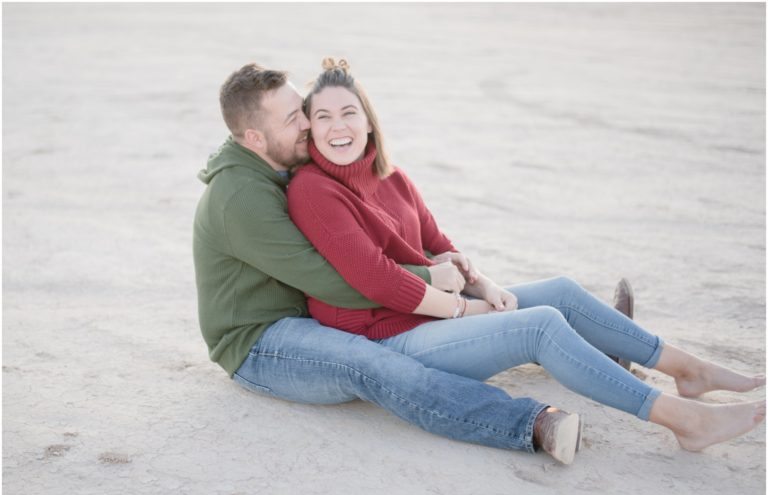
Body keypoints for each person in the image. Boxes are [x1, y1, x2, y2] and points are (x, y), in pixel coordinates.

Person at [285, 57, 765, 459]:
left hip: (431, 315)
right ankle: (684, 420)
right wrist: (467, 308)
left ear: (368, 121)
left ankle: (689, 370)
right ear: (310, 131)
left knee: (560, 291)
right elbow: (378, 281)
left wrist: (485, 285)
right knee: (539, 325)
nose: (338, 127)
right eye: (322, 117)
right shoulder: (314, 190)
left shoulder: (393, 178)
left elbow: (438, 243)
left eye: (348, 113)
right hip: (389, 339)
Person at [195, 64, 654, 465]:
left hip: (317, 313)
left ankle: (597, 347)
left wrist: (456, 283)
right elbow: (335, 283)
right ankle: (529, 424)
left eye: (301, 109)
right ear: (254, 136)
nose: (306, 124)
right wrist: (433, 284)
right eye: (294, 116)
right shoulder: (241, 197)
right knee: (371, 364)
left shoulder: (272, 158)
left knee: (536, 299)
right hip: (262, 342)